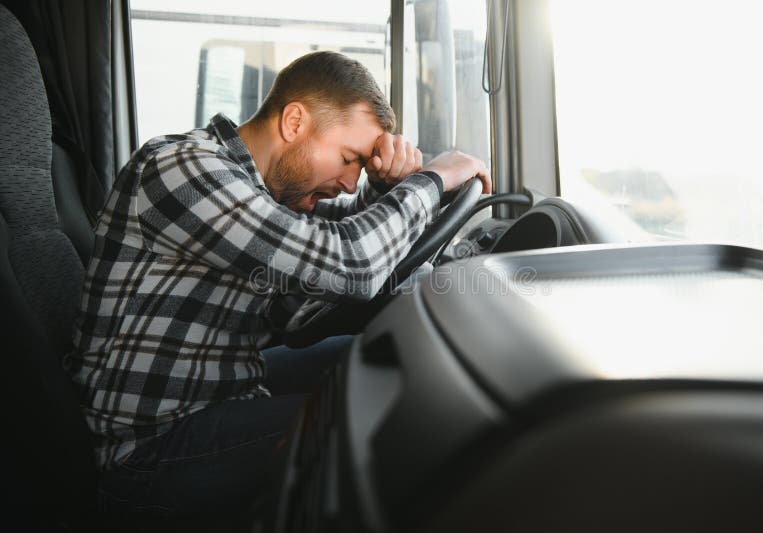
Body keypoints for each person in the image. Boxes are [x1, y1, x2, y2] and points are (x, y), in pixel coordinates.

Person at [66, 50, 490, 518]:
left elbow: (333, 240)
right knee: (392, 424)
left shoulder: (262, 189)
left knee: (370, 359)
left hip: (221, 388)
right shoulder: (182, 169)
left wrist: (386, 187)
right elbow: (350, 262)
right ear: (294, 122)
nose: (351, 183)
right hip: (147, 450)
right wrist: (433, 179)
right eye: (349, 159)